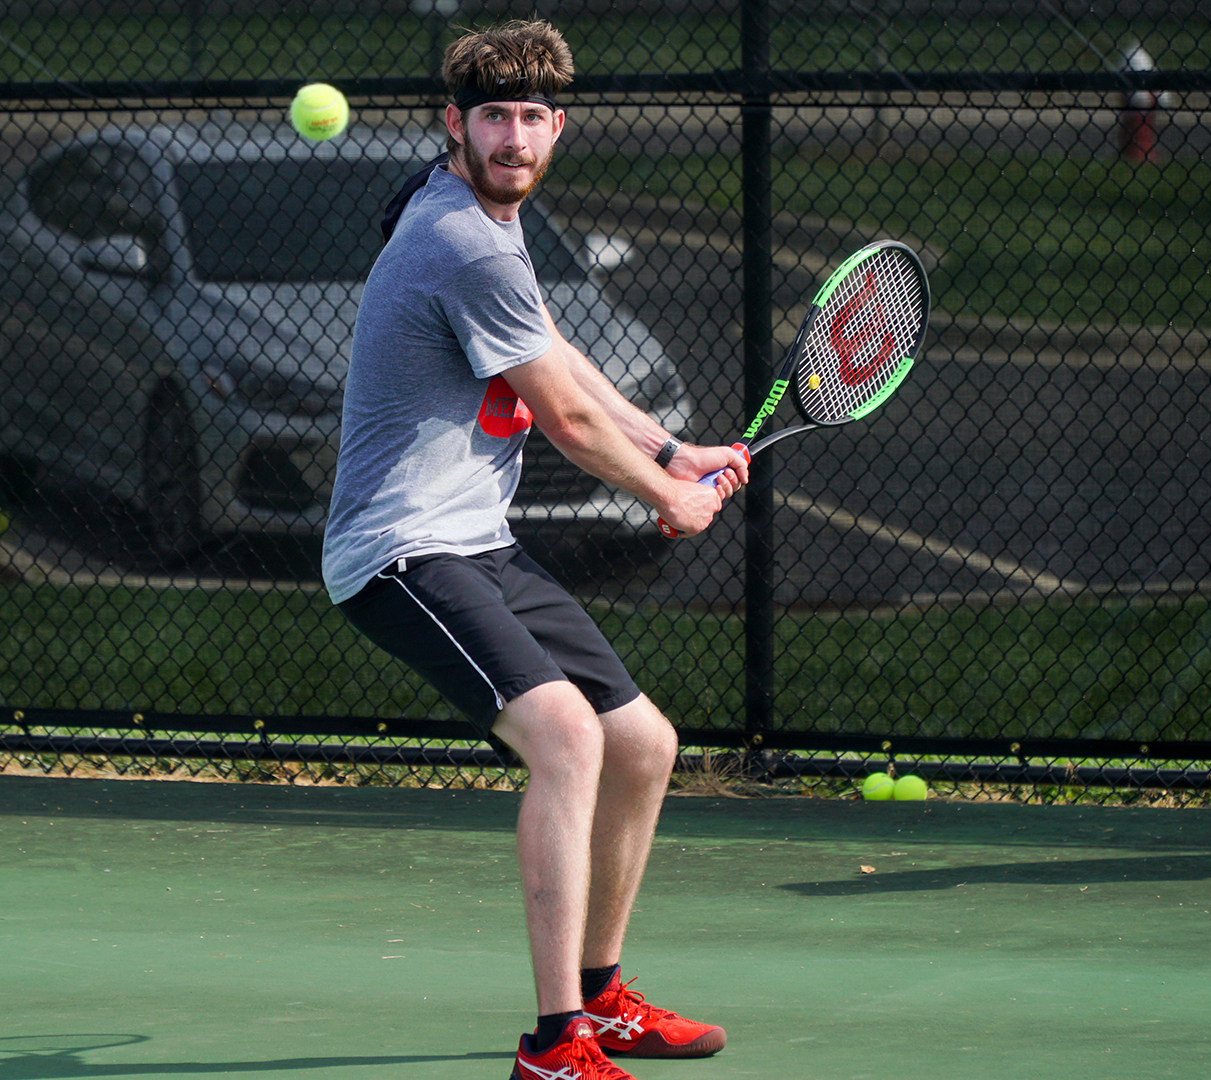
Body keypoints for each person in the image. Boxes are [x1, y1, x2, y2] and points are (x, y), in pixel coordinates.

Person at [320, 19, 748, 1080]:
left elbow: (555, 356)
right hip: (396, 553)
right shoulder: (458, 236)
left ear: (558, 127)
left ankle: (602, 1001)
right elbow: (562, 420)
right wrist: (666, 494)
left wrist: (671, 443)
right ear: (454, 126)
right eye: (493, 117)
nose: (513, 137)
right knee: (566, 737)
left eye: (531, 118)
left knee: (643, 743)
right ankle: (555, 1046)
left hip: (476, 540)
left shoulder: (487, 221)